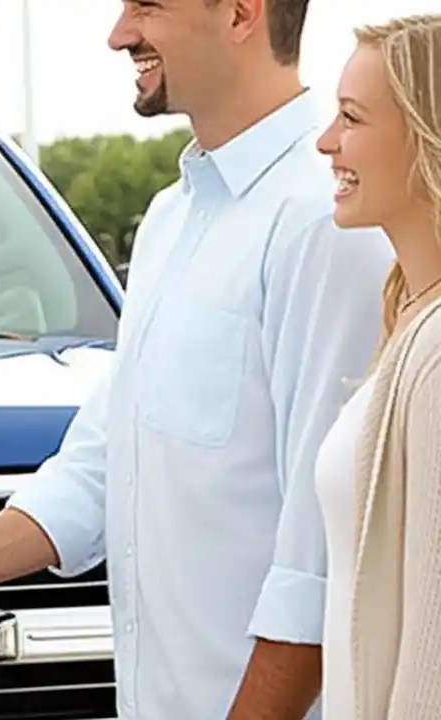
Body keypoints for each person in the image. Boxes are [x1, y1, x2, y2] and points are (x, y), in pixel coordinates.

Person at [0, 1, 397, 718]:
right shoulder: (170, 219)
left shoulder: (328, 223)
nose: (119, 33)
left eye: (147, 6)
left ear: (240, 13)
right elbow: (99, 470)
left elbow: (321, 557)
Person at [311, 14, 441, 720]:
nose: (326, 141)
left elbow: (433, 656)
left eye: (352, 118)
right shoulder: (414, 327)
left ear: (427, 136)